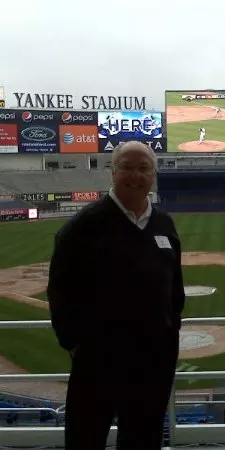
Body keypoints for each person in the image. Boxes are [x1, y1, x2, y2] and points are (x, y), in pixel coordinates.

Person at [47, 141, 185, 450]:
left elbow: (175, 288)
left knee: (143, 438)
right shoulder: (83, 226)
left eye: (143, 168)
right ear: (113, 171)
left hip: (153, 362)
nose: (135, 175)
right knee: (86, 437)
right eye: (127, 167)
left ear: (153, 174)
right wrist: (76, 344)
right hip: (99, 362)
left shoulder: (164, 223)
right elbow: (60, 291)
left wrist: (170, 334)